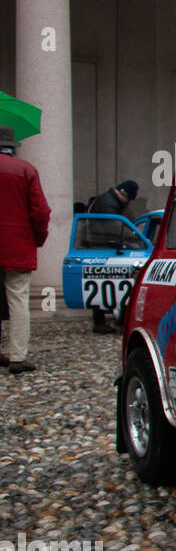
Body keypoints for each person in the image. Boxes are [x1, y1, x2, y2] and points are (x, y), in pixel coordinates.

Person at [0, 124, 52, 375]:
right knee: (18, 299)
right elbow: (41, 212)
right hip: (17, 245)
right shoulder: (26, 170)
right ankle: (17, 356)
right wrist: (38, 239)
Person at [85, 178, 139, 332]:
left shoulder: (106, 200)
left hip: (97, 247)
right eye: (128, 199)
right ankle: (107, 321)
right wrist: (132, 239)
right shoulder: (109, 204)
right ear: (123, 193)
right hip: (101, 248)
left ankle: (103, 320)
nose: (127, 203)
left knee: (105, 282)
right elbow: (114, 228)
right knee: (115, 282)